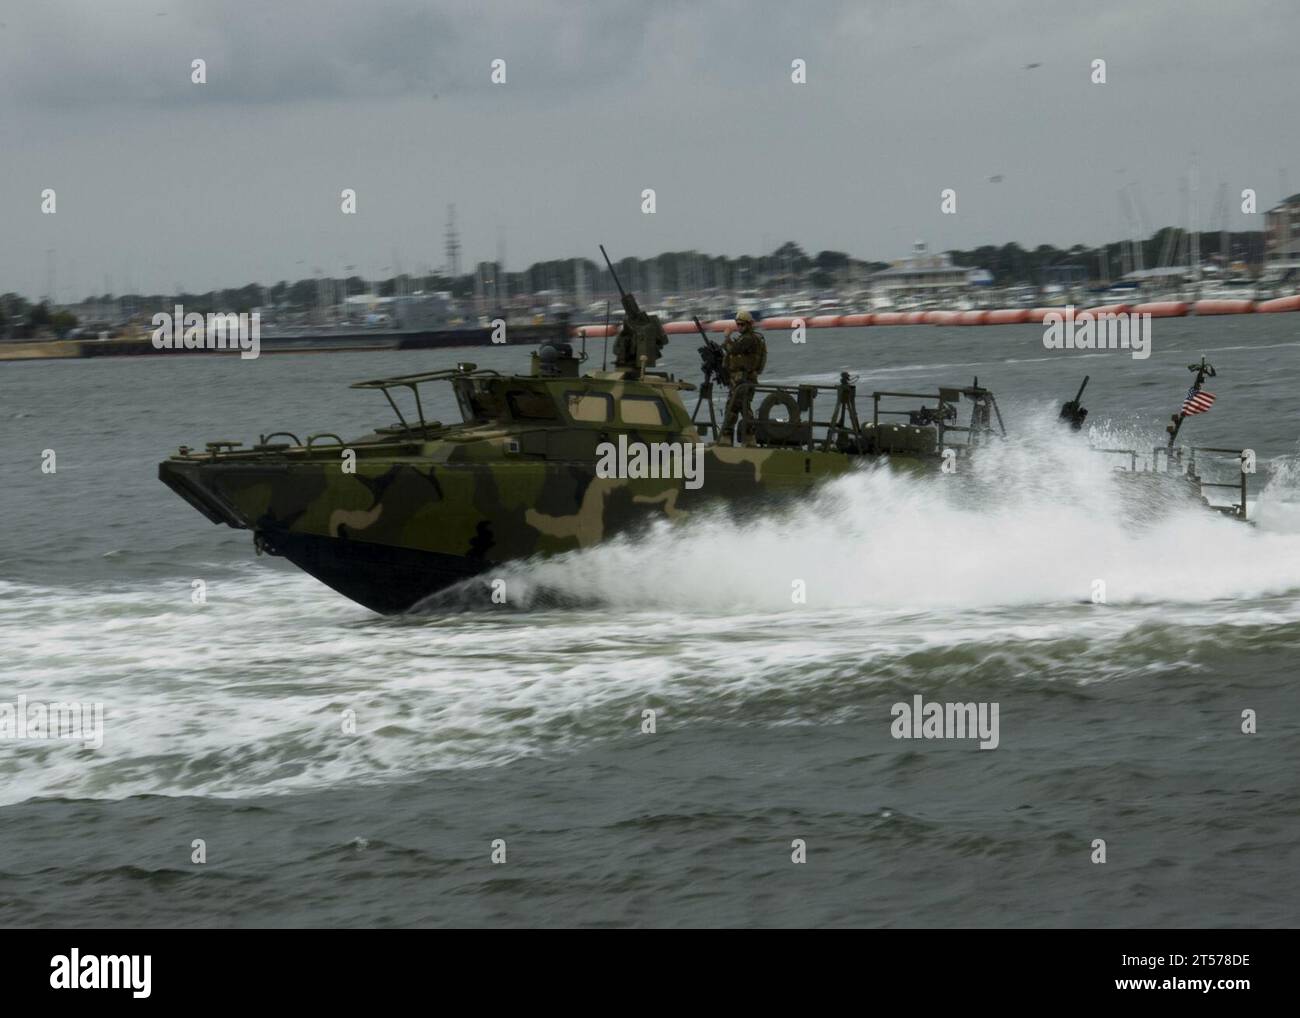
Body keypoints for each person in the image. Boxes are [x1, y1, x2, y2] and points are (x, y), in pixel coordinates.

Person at [719, 310, 767, 445]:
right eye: (737, 324)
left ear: (748, 324)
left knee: (737, 407)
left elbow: (734, 349)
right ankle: (741, 439)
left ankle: (738, 439)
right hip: (738, 380)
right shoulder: (744, 338)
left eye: (741, 324)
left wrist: (727, 338)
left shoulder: (751, 339)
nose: (738, 327)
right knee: (738, 407)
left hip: (745, 380)